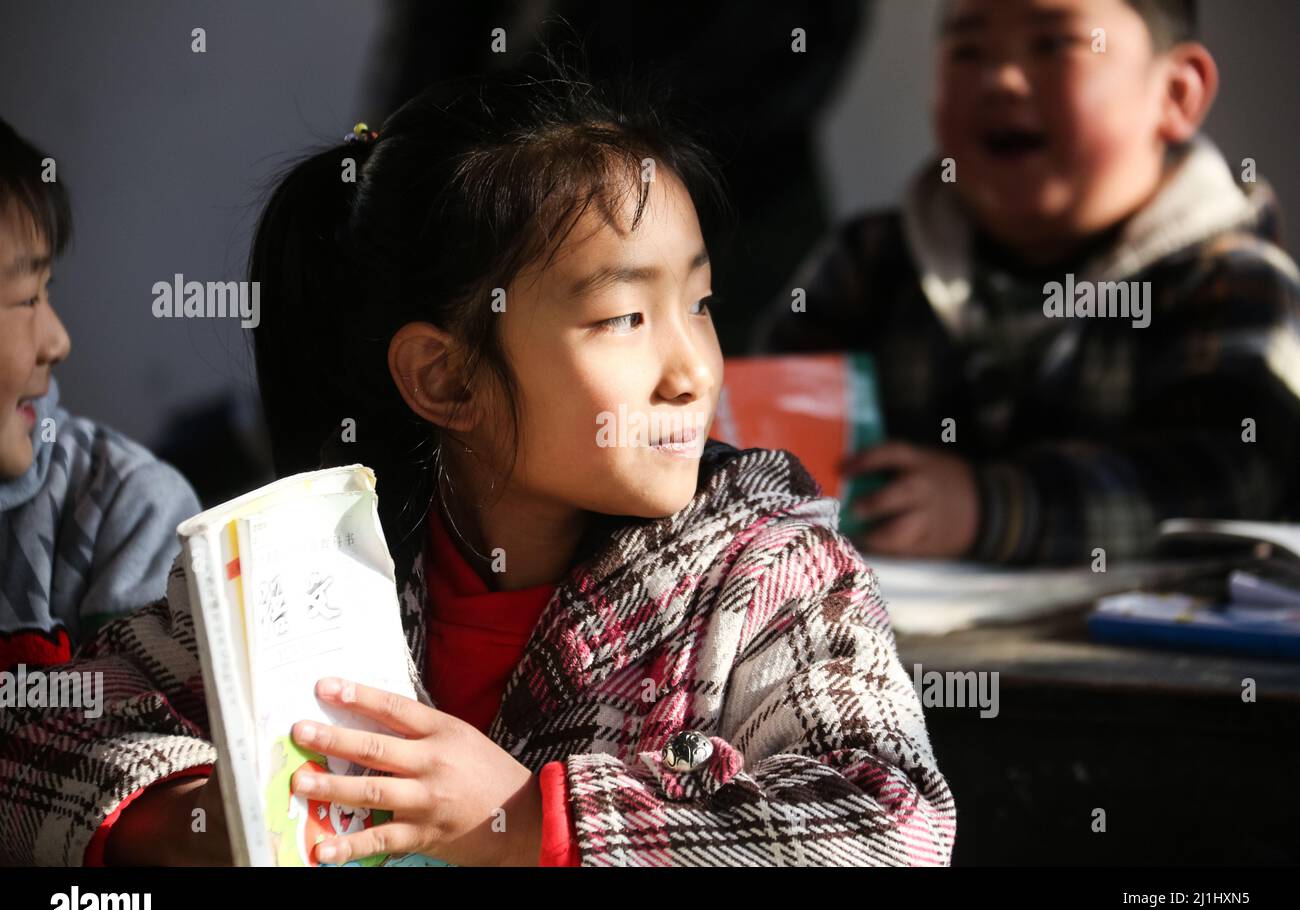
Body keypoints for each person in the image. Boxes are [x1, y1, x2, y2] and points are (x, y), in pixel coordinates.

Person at [0, 66, 955, 866]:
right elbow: (29, 736)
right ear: (445, 378)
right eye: (625, 318)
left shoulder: (770, 578)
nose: (692, 370)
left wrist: (526, 821)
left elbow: (895, 827)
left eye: (699, 304)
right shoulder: (302, 574)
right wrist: (202, 815)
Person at [752, 0, 1300, 565]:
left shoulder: (1231, 280)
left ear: (1176, 94)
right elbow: (758, 443)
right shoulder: (868, 262)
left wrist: (991, 510)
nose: (1001, 80)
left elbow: (1239, 479)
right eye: (968, 51)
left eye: (1053, 45)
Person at [0, 118, 199, 671]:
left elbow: (151, 746)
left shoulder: (128, 510)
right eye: (24, 300)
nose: (57, 342)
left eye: (47, 291)